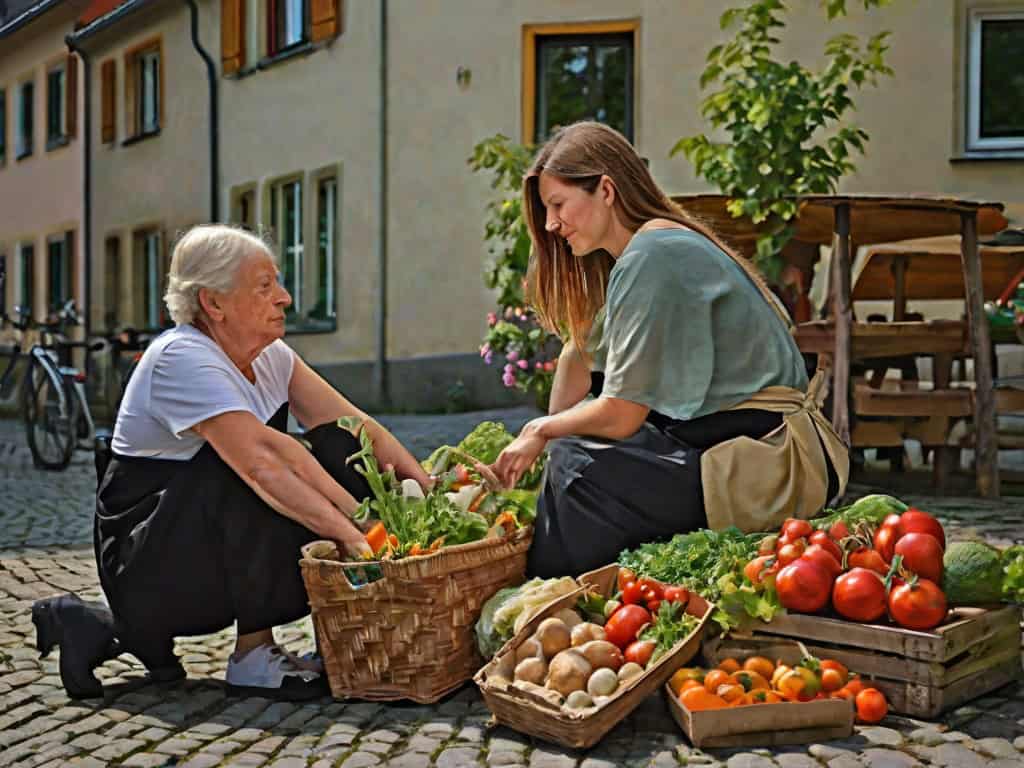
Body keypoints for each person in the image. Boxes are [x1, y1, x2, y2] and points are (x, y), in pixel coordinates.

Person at [32, 225, 433, 701]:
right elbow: (260, 464)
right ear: (213, 304)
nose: (284, 298)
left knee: (341, 446)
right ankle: (253, 655)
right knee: (250, 464)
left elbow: (356, 426)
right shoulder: (180, 356)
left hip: (196, 542)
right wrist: (356, 537)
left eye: (278, 283)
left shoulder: (272, 356)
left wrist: (426, 491)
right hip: (147, 561)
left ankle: (104, 626)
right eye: (264, 287)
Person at [491, 122, 848, 578]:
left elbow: (621, 414)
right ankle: (568, 600)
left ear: (605, 189)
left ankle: (557, 600)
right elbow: (579, 357)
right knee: (571, 453)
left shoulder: (653, 254)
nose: (550, 224)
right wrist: (537, 451)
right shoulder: (650, 248)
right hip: (739, 447)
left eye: (558, 205)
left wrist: (543, 432)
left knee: (578, 470)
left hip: (765, 466)